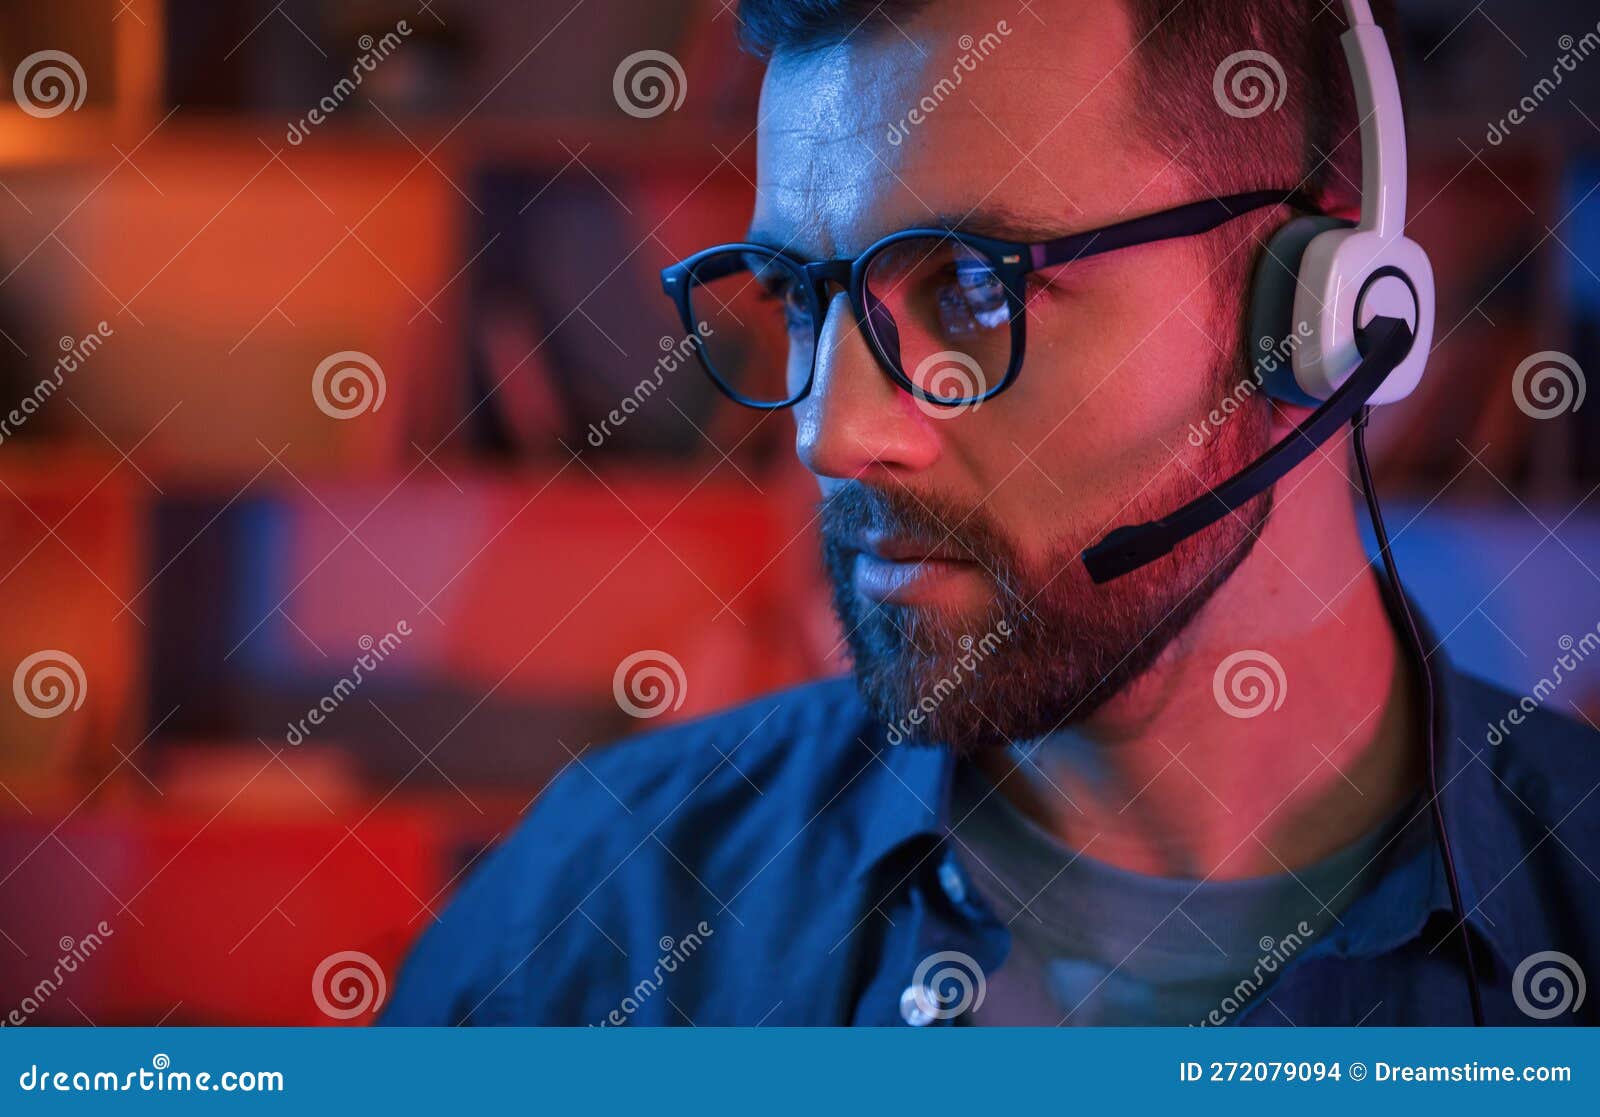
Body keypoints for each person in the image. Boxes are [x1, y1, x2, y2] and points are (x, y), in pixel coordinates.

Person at [383, 0, 1600, 1026]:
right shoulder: (600, 905)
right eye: (801, 296)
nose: (830, 433)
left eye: (975, 283)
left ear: (1313, 317)